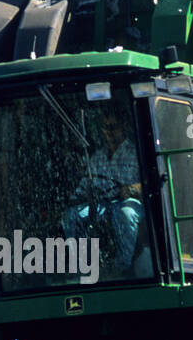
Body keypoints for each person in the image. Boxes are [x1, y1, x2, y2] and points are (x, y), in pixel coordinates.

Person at [62, 111, 146, 276]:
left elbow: (150, 184)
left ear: (123, 127)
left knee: (125, 213)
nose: (109, 132)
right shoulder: (98, 157)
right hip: (102, 205)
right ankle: (82, 268)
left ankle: (123, 266)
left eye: (113, 127)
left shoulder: (136, 153)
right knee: (71, 216)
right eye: (106, 128)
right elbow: (83, 187)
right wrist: (73, 200)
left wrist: (131, 189)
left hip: (130, 203)